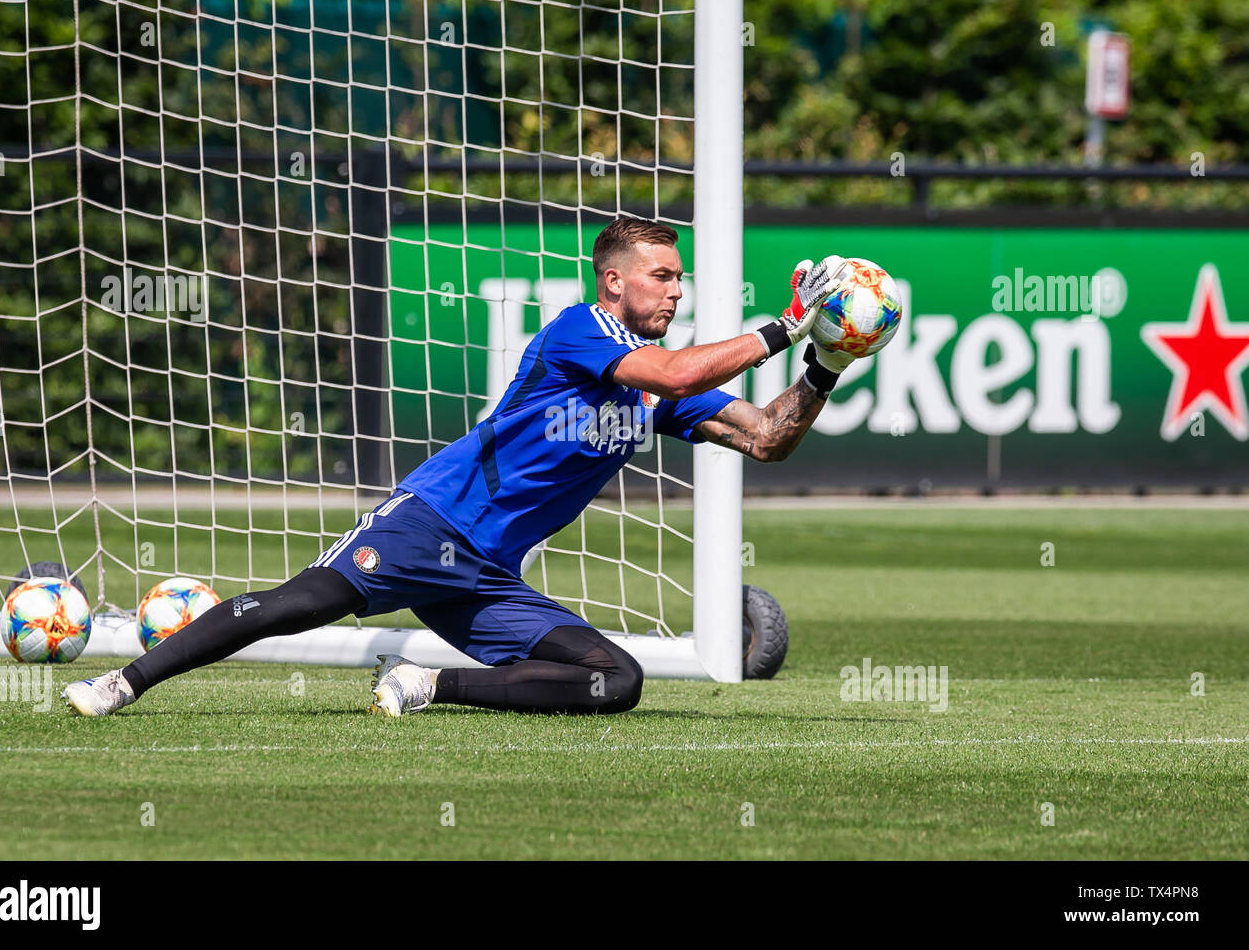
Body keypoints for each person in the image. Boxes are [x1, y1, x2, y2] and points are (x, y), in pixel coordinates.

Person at [62, 217, 857, 718]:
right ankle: (120, 683)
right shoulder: (582, 330)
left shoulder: (652, 383)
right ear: (613, 279)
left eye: (679, 277)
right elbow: (679, 374)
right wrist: (788, 325)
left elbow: (764, 437)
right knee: (295, 604)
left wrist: (824, 365)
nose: (676, 290)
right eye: (663, 275)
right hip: (431, 523)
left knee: (613, 680)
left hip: (485, 576)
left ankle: (424, 683)